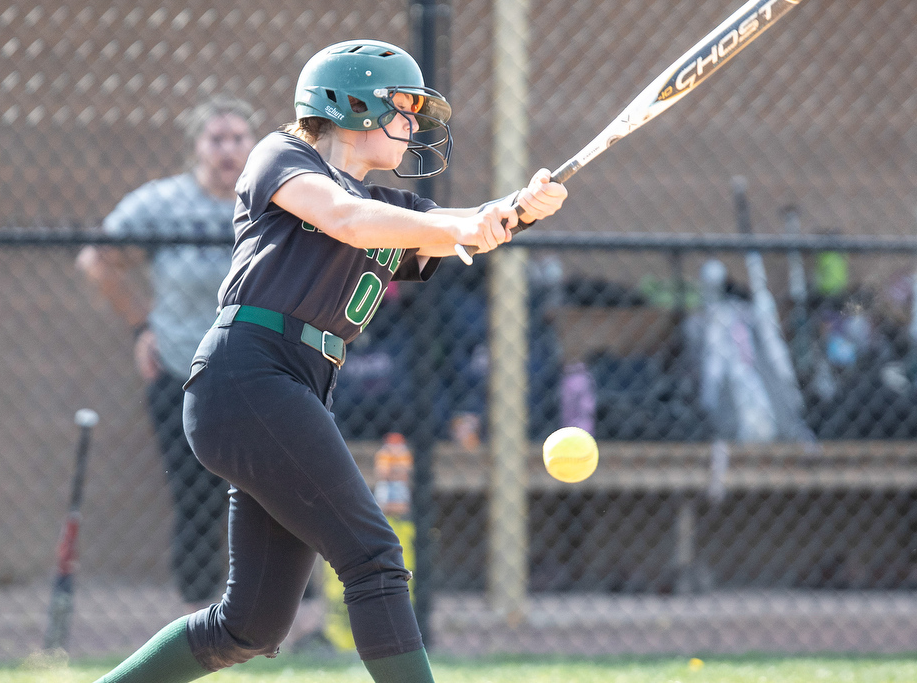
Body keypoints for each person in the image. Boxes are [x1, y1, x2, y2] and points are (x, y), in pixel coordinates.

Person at [91, 39, 567, 683]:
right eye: (401, 108)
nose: (411, 125)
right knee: (374, 556)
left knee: (249, 624)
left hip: (293, 390)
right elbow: (345, 217)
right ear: (351, 105)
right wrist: (464, 223)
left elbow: (452, 231)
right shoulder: (281, 156)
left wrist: (516, 212)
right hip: (248, 375)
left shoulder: (397, 211)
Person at [77, 95, 256, 604]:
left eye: (238, 138)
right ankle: (199, 618)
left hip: (258, 373)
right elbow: (98, 260)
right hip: (181, 371)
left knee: (269, 493)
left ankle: (284, 614)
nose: (227, 150)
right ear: (195, 147)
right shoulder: (164, 203)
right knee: (196, 497)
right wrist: (141, 328)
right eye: (216, 139)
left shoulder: (270, 200)